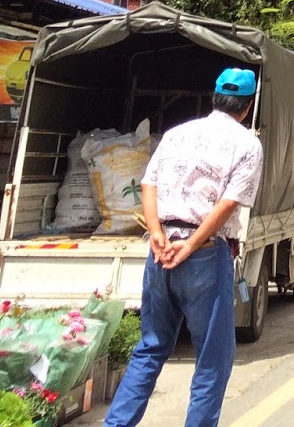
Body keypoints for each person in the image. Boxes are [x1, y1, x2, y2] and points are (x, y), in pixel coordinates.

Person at [104, 67, 264, 427]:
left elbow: (149, 184)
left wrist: (158, 234)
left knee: (151, 346)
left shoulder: (178, 134)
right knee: (213, 357)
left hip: (160, 252)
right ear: (248, 106)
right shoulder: (248, 144)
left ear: (214, 98)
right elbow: (229, 203)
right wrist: (190, 244)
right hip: (204, 253)